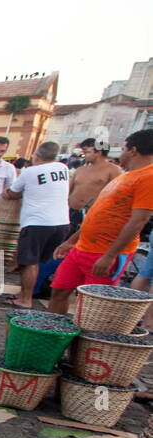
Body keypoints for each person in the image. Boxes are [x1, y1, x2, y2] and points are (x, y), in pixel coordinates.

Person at [51, 130, 153, 314]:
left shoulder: (149, 177)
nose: (120, 153)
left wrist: (109, 256)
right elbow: (98, 213)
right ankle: (53, 336)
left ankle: (85, 343)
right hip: (82, 247)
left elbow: (139, 220)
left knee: (94, 307)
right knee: (58, 290)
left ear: (133, 150)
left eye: (123, 148)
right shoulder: (125, 175)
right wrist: (71, 241)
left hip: (105, 252)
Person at [2, 141, 71, 309]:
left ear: (37, 156)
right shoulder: (63, 168)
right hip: (61, 221)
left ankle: (25, 299)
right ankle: (25, 294)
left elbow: (12, 193)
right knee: (40, 260)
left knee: (28, 262)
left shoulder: (30, 172)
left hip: (37, 222)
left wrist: (6, 193)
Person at [68, 138, 123, 232]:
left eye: (87, 151)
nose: (84, 155)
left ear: (98, 152)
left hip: (92, 215)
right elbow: (69, 190)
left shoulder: (113, 170)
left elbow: (117, 195)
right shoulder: (80, 169)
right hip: (71, 213)